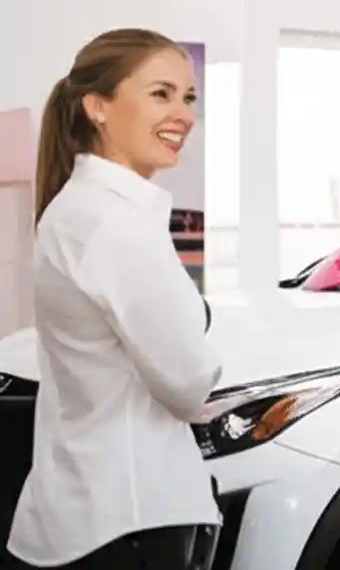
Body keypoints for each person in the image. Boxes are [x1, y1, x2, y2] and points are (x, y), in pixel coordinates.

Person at [6, 29, 223, 569]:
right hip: (129, 521)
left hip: (76, 514)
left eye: (188, 97)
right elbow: (187, 382)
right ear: (97, 106)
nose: (183, 114)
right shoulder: (115, 224)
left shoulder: (75, 210)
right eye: (160, 93)